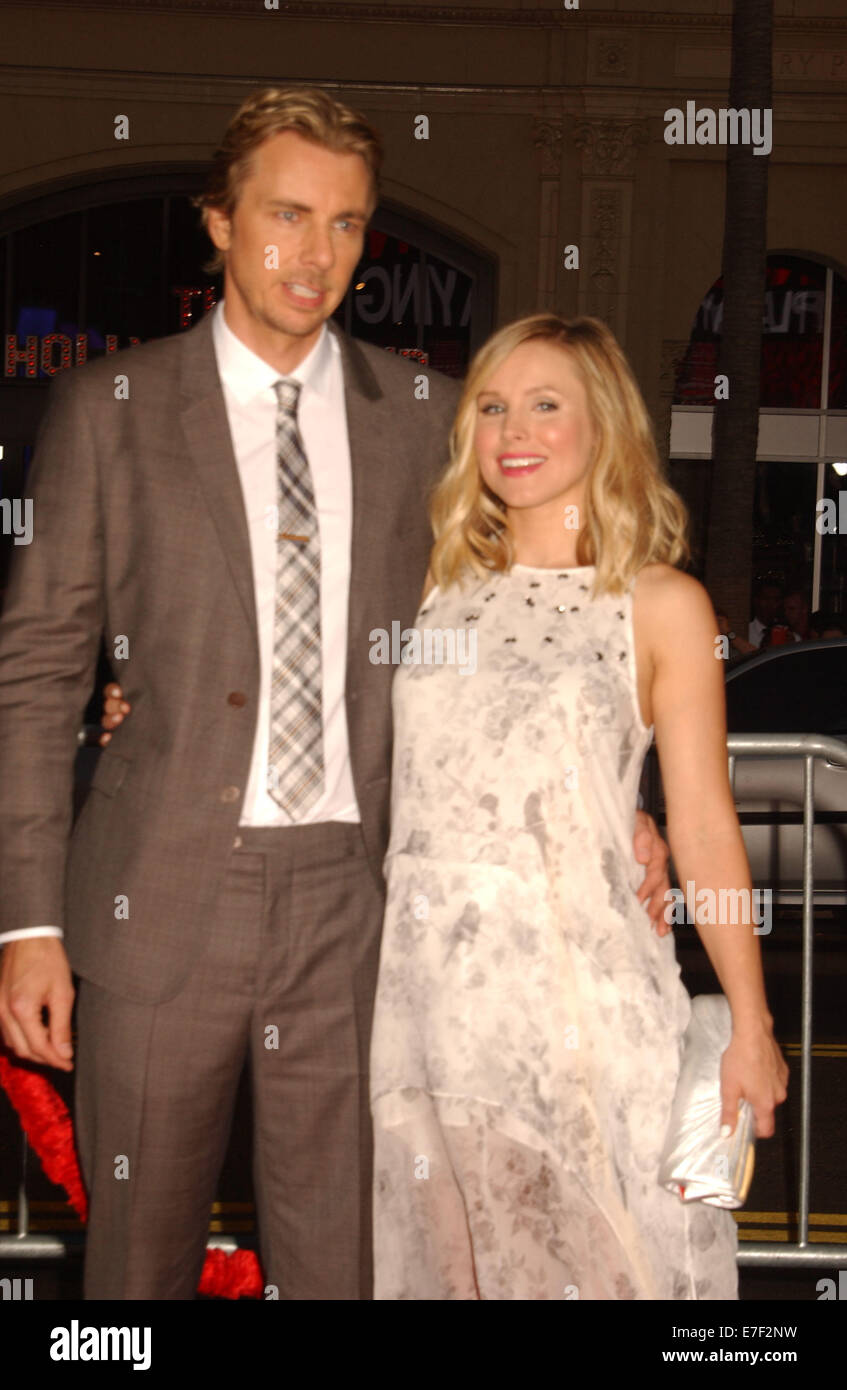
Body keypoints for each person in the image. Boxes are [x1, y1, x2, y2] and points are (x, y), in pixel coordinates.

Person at [0, 88, 672, 1301]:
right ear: (218, 221)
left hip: (359, 913)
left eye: (348, 225)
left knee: (344, 1268)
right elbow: (39, 676)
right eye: (287, 215)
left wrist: (607, 797)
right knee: (133, 1274)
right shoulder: (111, 410)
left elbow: (513, 625)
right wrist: (27, 923)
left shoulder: (423, 420)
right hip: (155, 893)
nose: (316, 254)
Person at [367, 314, 788, 1300]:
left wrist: (752, 1023)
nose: (513, 429)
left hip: (580, 1014)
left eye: (545, 404)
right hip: (422, 1011)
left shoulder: (658, 604)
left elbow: (702, 823)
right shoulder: (424, 587)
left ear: (602, 425)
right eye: (493, 407)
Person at [748, 580, 782, 648]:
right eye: (766, 599)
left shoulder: (788, 634)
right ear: (756, 600)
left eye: (775, 600)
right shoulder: (746, 631)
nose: (771, 604)